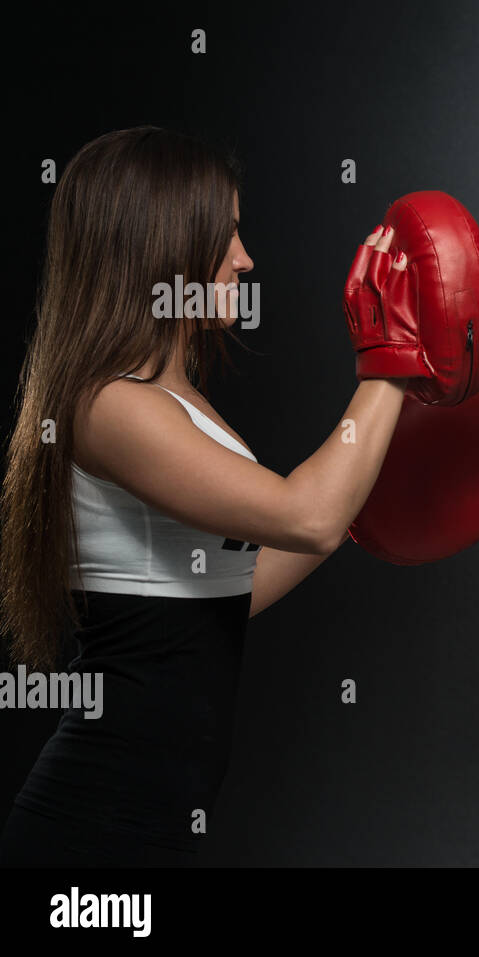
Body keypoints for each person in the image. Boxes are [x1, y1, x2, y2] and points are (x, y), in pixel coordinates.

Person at [0, 126, 409, 866]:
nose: (246, 258)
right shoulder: (109, 406)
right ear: (163, 244)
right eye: (226, 234)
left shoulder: (173, 395)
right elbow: (305, 514)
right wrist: (394, 360)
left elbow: (225, 589)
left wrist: (359, 511)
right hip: (93, 830)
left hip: (149, 821)